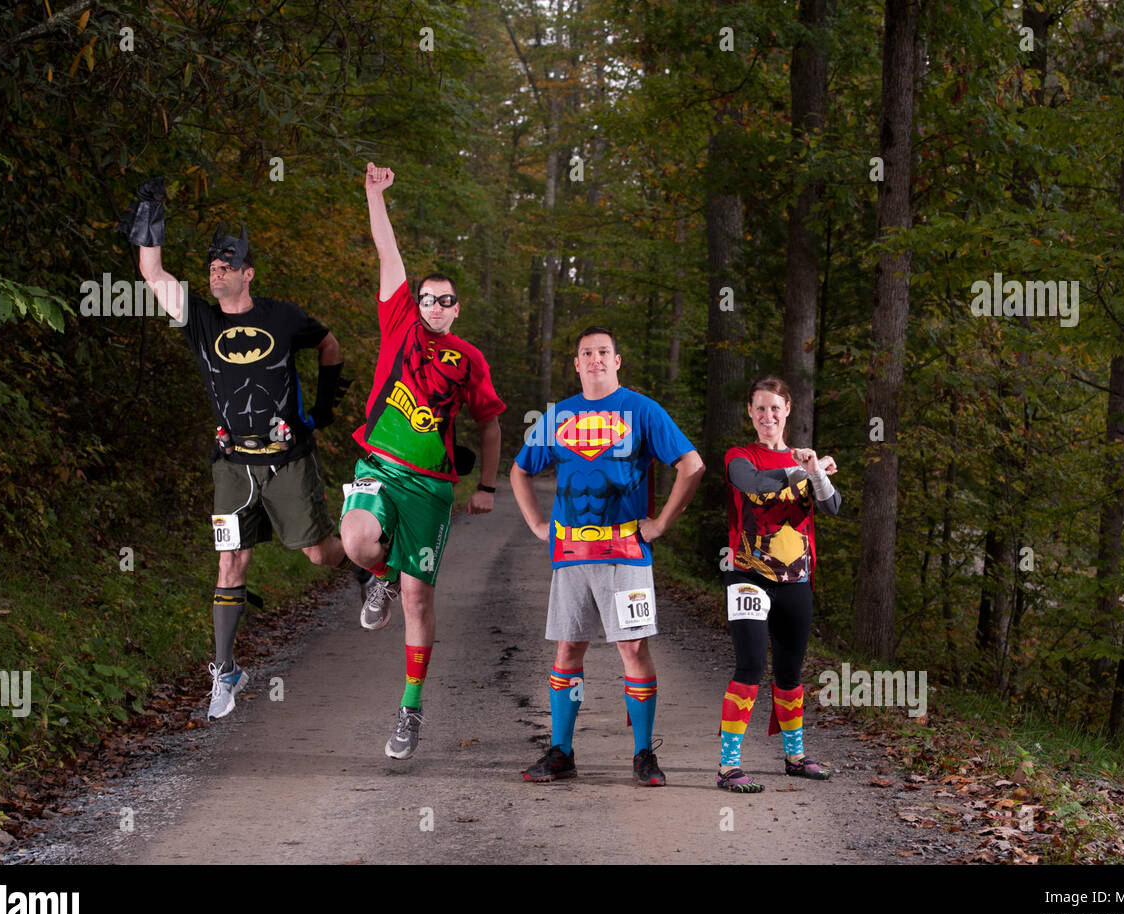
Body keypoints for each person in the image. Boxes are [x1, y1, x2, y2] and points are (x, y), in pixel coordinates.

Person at [121, 177, 359, 721]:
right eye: (212, 264)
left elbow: (328, 343)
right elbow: (151, 273)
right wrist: (150, 214)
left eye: (228, 263)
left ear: (248, 272)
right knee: (231, 560)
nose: (217, 269)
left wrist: (322, 409)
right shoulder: (199, 321)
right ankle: (225, 670)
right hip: (232, 464)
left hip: (287, 460)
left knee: (319, 553)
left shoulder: (281, 318)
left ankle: (368, 561)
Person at [340, 162, 505, 760]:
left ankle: (410, 709)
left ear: (458, 309)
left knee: (419, 599)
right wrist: (374, 196)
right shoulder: (399, 323)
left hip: (432, 486)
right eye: (429, 297)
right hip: (378, 465)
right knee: (357, 540)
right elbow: (389, 256)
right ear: (420, 301)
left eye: (447, 301)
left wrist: (485, 485)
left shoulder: (469, 359)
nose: (436, 305)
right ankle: (374, 581)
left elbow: (490, 422)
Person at [513, 327, 704, 786]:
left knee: (633, 647)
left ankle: (643, 755)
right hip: (571, 549)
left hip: (626, 551)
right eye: (586, 353)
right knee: (568, 648)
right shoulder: (558, 416)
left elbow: (692, 465)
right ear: (576, 364)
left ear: (617, 361)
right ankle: (561, 752)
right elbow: (520, 470)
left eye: (603, 352)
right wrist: (537, 525)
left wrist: (660, 524)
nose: (595, 359)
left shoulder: (642, 410)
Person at [715, 374, 841, 793]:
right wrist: (800, 471)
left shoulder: (805, 460)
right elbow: (752, 486)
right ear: (750, 414)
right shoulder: (740, 455)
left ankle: (795, 757)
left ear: (787, 411)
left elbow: (833, 507)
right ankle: (729, 766)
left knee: (789, 673)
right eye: (760, 408)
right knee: (749, 667)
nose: (768, 415)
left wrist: (818, 474)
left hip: (795, 579)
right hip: (747, 575)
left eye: (775, 407)